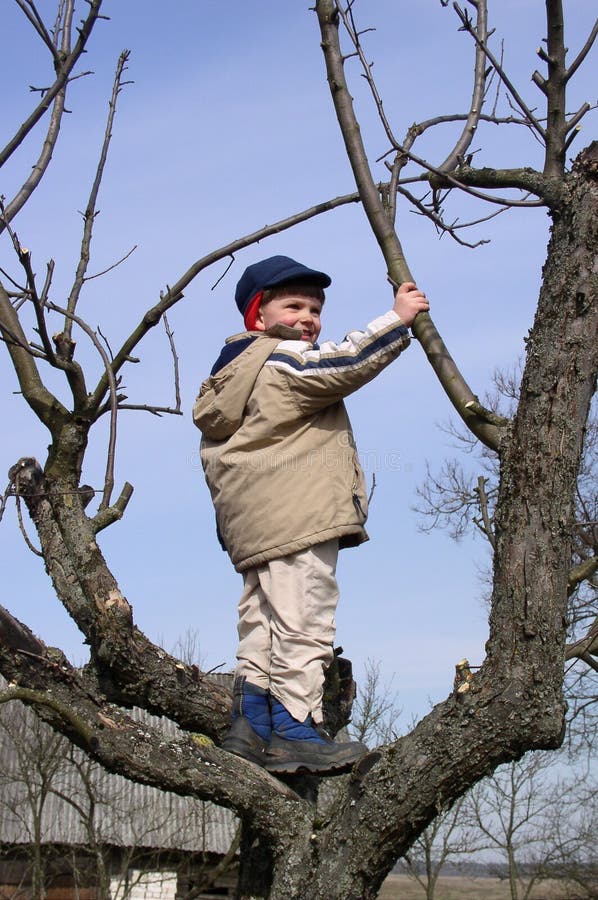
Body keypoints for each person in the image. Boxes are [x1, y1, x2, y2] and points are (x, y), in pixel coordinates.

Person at [193, 255, 429, 774]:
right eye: (294, 305)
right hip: (297, 518)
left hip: (258, 528)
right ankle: (296, 727)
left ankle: (250, 726)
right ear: (257, 317)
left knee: (263, 624)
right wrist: (397, 319)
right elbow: (343, 364)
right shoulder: (279, 362)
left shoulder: (231, 376)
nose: (309, 318)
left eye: (316, 308)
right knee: (305, 619)